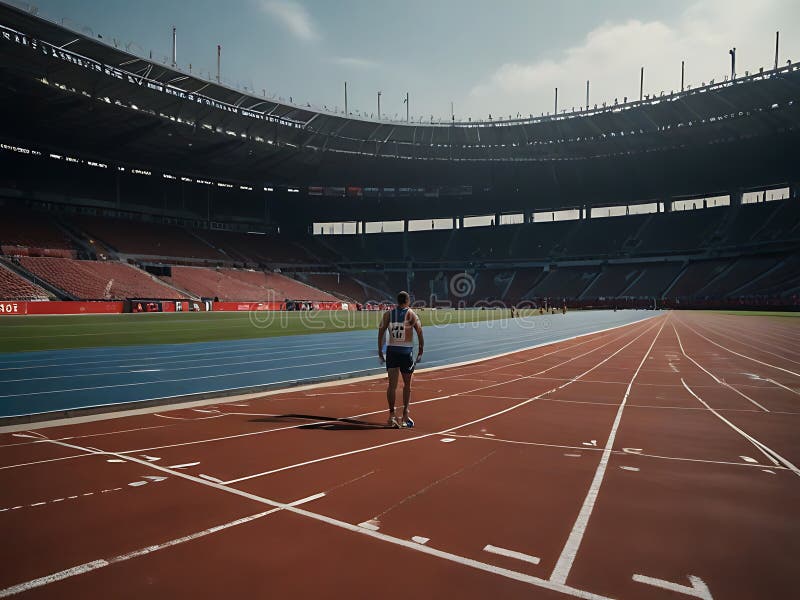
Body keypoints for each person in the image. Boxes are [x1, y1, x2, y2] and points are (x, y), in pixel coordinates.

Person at [378, 291, 424, 428]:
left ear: (397, 301)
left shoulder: (388, 314)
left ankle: (392, 416)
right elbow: (419, 331)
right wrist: (421, 349)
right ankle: (405, 415)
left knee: (392, 386)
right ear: (408, 301)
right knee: (407, 385)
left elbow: (381, 332)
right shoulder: (411, 314)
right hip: (406, 353)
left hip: (392, 352)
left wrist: (380, 350)